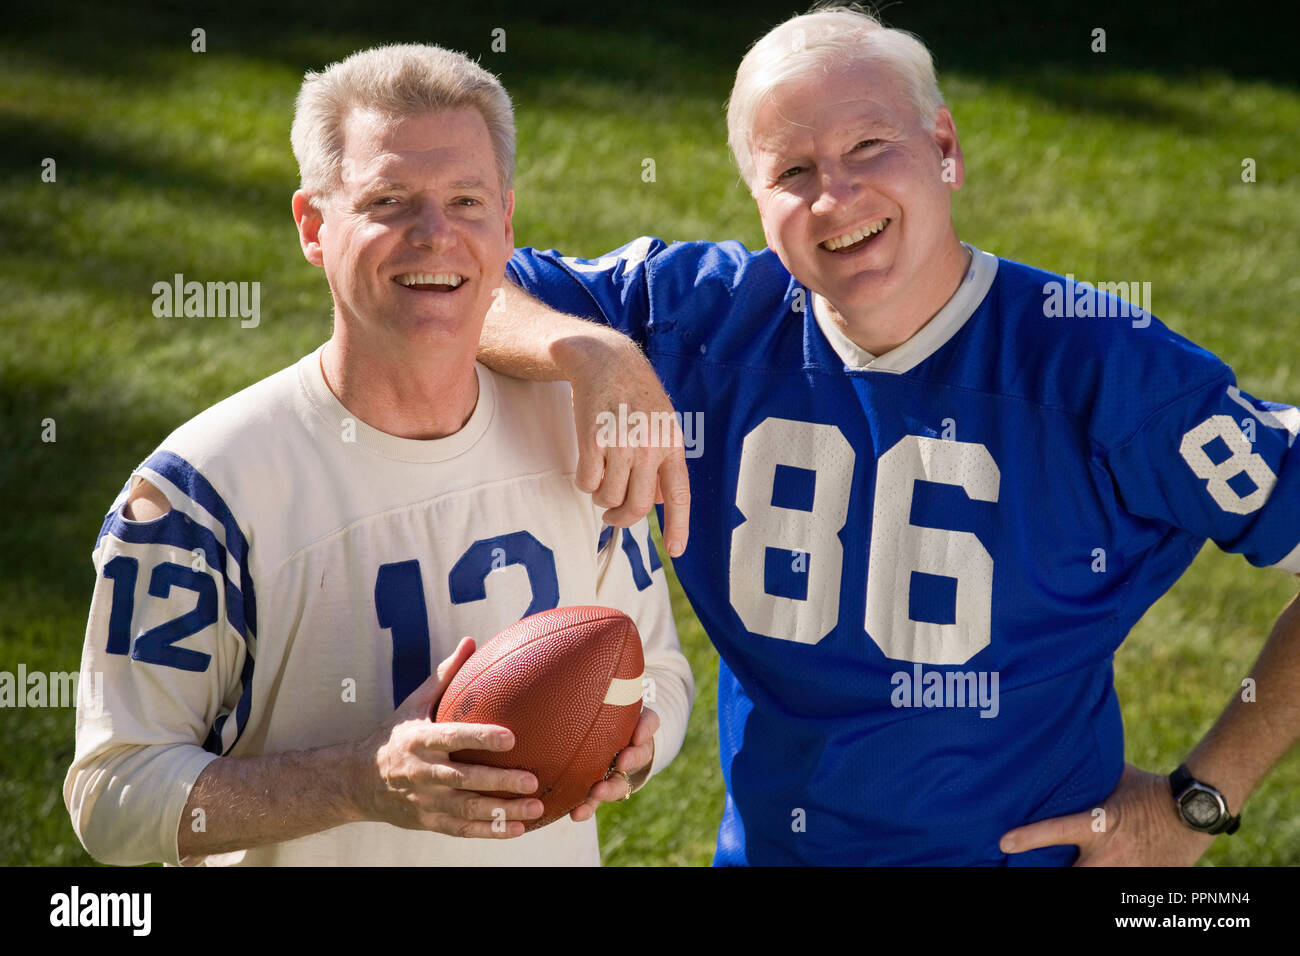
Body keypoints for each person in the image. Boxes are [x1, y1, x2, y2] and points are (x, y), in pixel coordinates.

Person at [480, 6, 1300, 865]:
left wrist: (1198, 800)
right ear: (756, 199)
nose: (836, 196)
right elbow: (471, 281)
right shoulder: (698, 318)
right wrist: (593, 351)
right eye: (793, 169)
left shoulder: (1101, 366)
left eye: (871, 147)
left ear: (944, 148)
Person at [63, 43, 692, 867]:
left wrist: (635, 745)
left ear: (507, 224)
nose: (435, 237)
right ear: (314, 227)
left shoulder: (580, 436)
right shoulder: (202, 490)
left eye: (466, 201)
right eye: (390, 201)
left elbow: (665, 676)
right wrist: (355, 782)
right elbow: (111, 795)